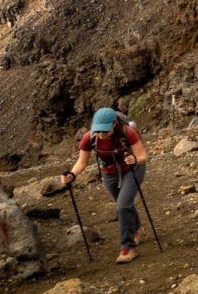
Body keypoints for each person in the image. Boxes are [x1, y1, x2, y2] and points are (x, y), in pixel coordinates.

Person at [61, 107, 150, 264]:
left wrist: (135, 160)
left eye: (105, 130)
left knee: (122, 206)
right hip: (109, 173)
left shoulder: (127, 132)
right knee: (124, 204)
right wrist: (72, 175)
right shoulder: (90, 137)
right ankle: (135, 228)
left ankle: (127, 248)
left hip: (132, 169)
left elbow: (142, 156)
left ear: (114, 124)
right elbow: (82, 162)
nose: (101, 134)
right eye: (98, 130)